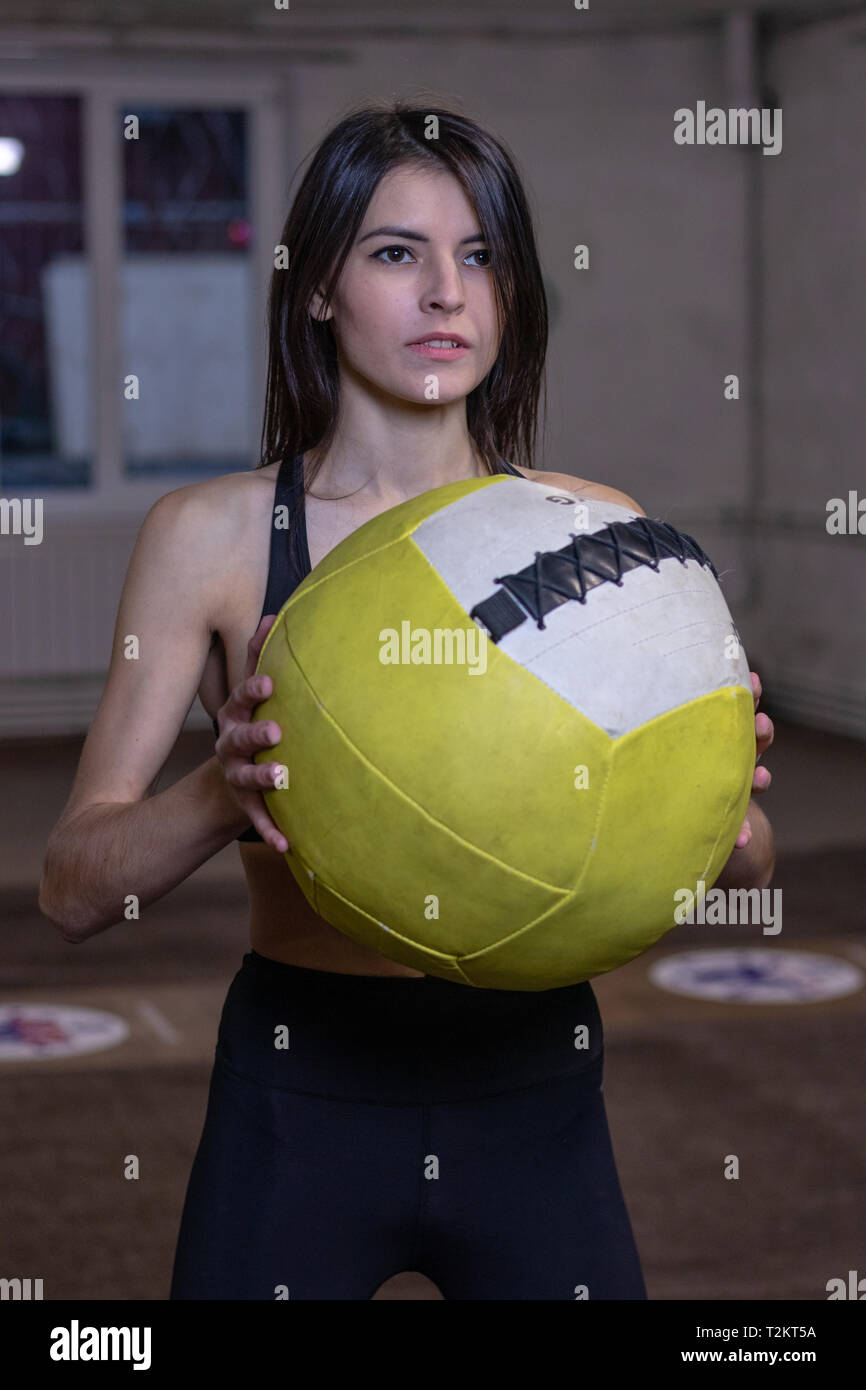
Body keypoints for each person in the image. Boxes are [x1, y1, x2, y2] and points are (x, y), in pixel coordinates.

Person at [39, 101, 774, 1300]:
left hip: (532, 1087)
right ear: (318, 287)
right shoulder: (215, 540)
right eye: (396, 253)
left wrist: (717, 807)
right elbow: (72, 887)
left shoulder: (598, 536)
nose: (446, 291)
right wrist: (228, 788)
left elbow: (747, 860)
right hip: (301, 1090)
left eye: (478, 255)